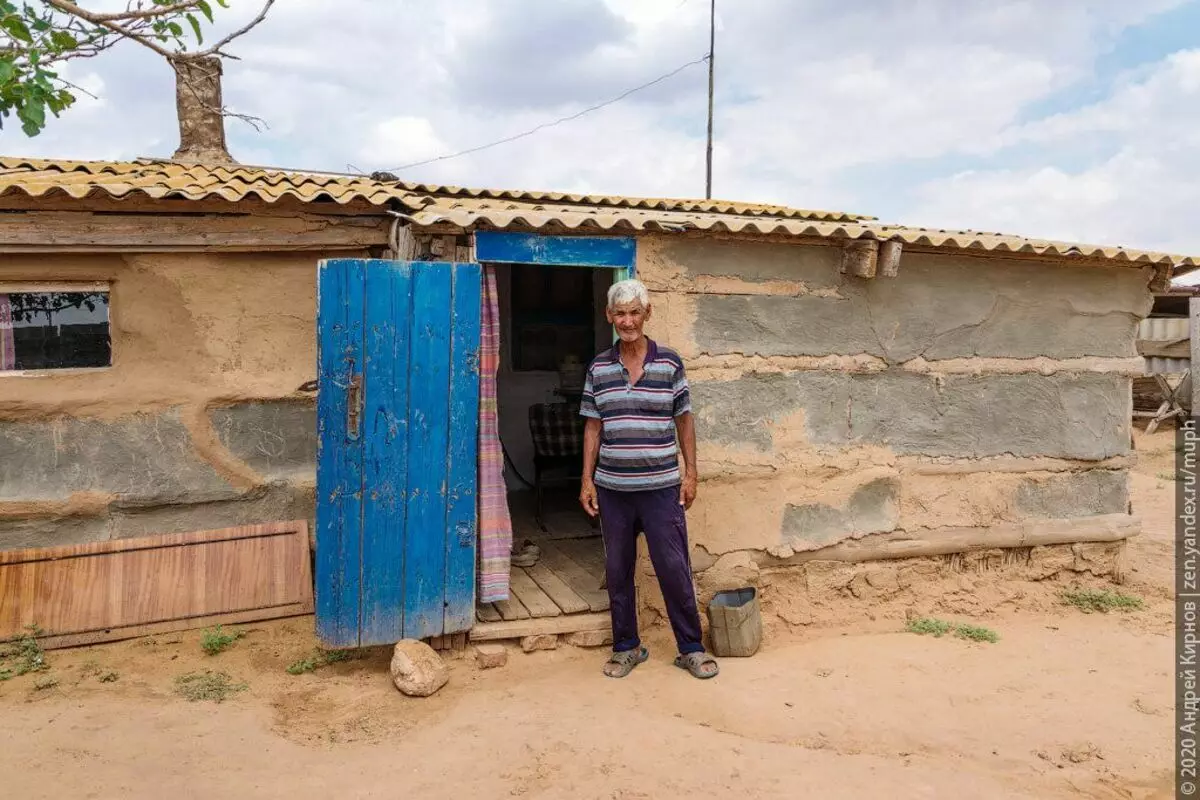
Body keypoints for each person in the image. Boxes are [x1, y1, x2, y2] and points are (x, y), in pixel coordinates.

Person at [578, 278, 719, 680]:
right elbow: (592, 428)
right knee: (618, 570)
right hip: (613, 490)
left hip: (661, 489)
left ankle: (690, 648)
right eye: (620, 313)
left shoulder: (670, 363)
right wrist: (587, 481)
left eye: (634, 312)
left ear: (647, 314)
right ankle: (626, 647)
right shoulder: (599, 368)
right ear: (610, 317)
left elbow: (684, 421)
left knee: (674, 568)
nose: (627, 321)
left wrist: (691, 474)